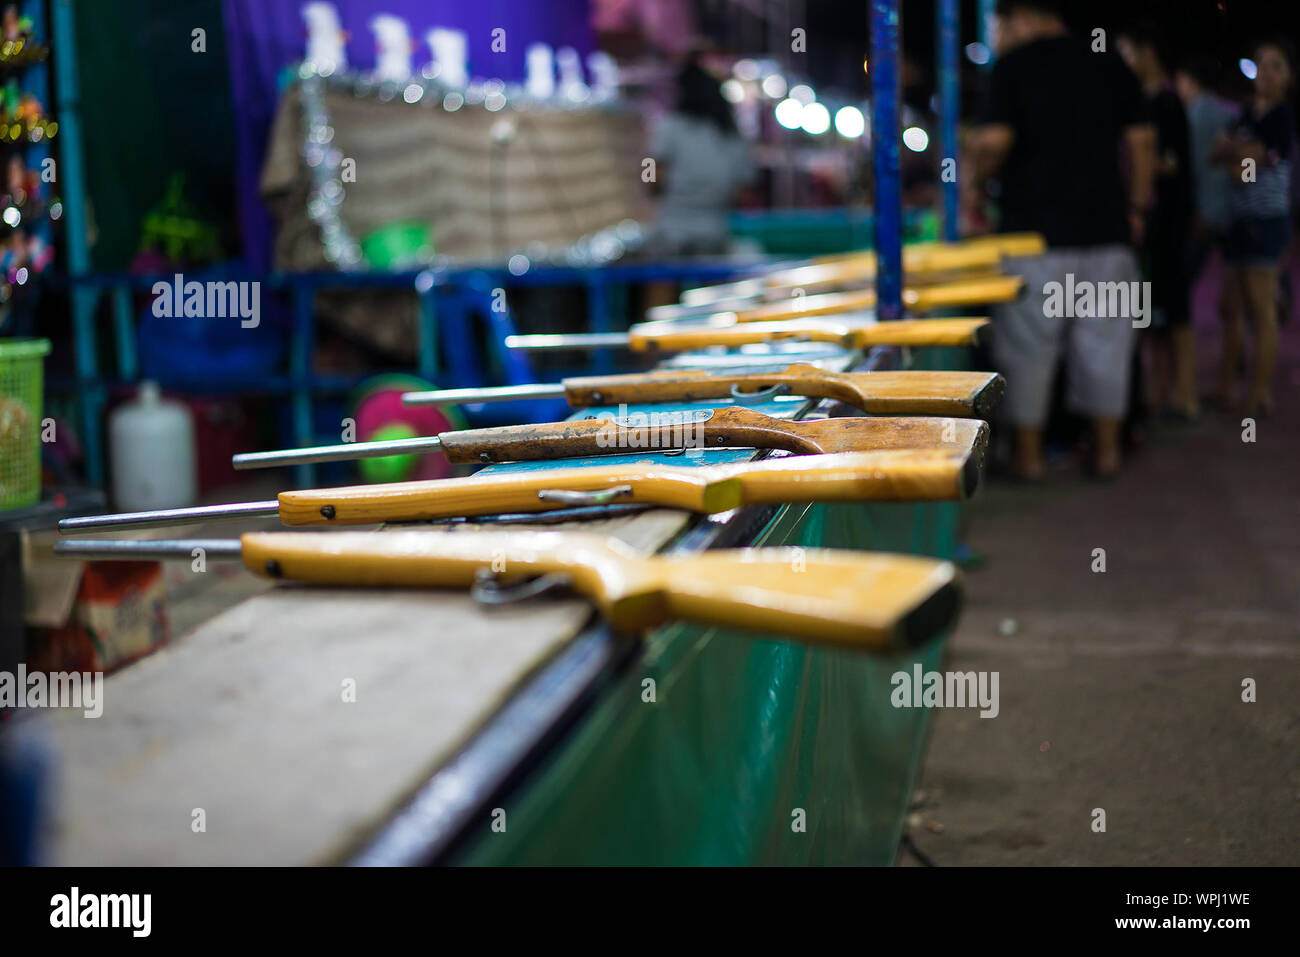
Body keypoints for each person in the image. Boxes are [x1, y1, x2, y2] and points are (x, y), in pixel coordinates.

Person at [967, 0, 1156, 479]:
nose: (999, 36)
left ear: (1021, 17)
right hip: (1107, 235)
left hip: (1033, 240)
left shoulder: (1013, 67)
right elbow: (1142, 143)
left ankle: (1028, 460)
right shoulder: (1108, 60)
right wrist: (1136, 207)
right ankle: (1107, 452)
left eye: (1001, 25)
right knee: (1106, 345)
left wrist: (973, 184)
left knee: (1028, 349)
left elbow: (992, 144)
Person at [1212, 37, 1295, 416]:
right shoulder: (1246, 116)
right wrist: (1237, 155)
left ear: (1289, 76)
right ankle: (1227, 388)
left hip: (1266, 223)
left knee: (1262, 310)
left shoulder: (1281, 118)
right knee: (1231, 307)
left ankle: (1259, 393)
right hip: (1238, 221)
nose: (1266, 72)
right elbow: (1222, 159)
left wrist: (1235, 153)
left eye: (1276, 65)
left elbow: (1248, 164)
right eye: (1261, 63)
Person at [1118, 23, 1195, 420]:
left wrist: (1135, 168)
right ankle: (1161, 393)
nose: (1123, 60)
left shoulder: (1165, 102)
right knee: (1154, 314)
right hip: (1154, 226)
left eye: (1127, 51)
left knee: (1175, 312)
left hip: (1168, 226)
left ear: (1147, 52)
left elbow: (1173, 164)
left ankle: (1184, 395)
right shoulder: (1145, 100)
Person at [646, 54, 754, 256]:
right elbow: (745, 191)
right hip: (717, 234)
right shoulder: (732, 133)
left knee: (660, 277)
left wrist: (656, 187)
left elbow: (651, 173)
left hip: (671, 232)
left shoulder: (669, 127)